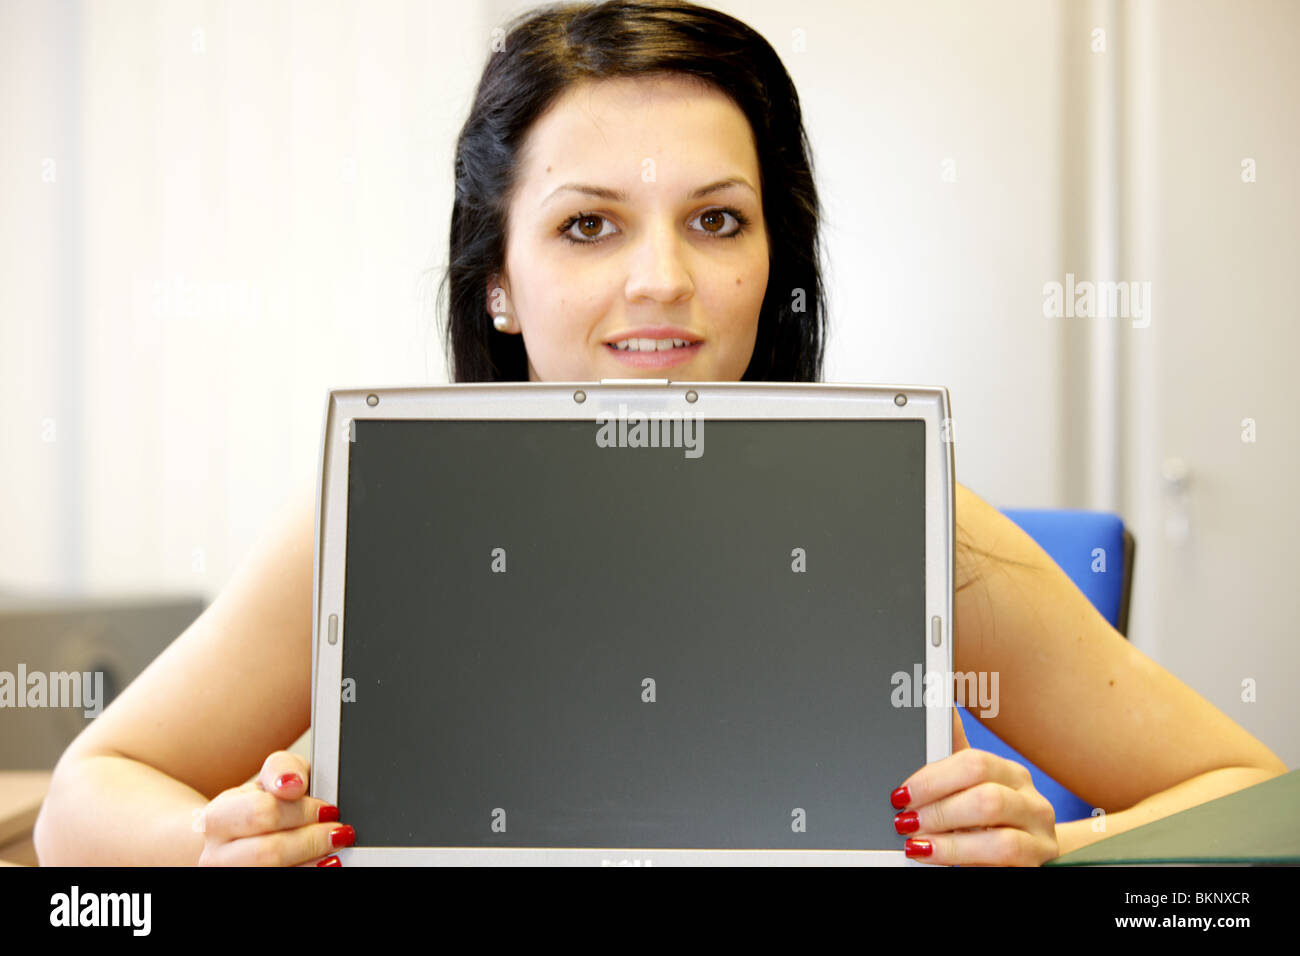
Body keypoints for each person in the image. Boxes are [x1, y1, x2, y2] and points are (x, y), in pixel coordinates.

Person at [34, 0, 1286, 867]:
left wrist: (1052, 841)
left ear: (772, 263)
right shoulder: (368, 520)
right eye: (588, 225)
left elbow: (1253, 803)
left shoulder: (908, 525)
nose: (660, 280)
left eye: (716, 220)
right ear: (497, 280)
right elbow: (83, 804)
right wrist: (209, 841)